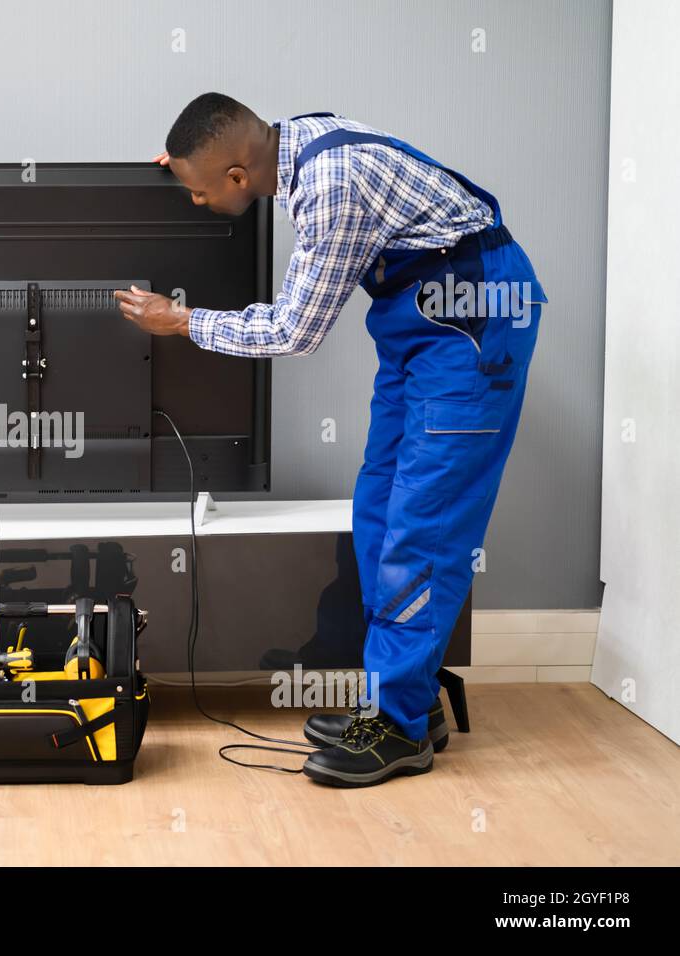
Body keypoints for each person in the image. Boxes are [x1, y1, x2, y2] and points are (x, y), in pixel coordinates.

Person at [116, 93, 545, 787]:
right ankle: (406, 699)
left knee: (422, 528)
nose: (195, 202)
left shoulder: (329, 188)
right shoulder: (284, 144)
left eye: (199, 190)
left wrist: (184, 323)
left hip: (473, 329)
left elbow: (294, 332)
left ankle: (399, 728)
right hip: (423, 328)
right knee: (377, 512)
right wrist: (189, 158)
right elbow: (225, 135)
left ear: (236, 175)